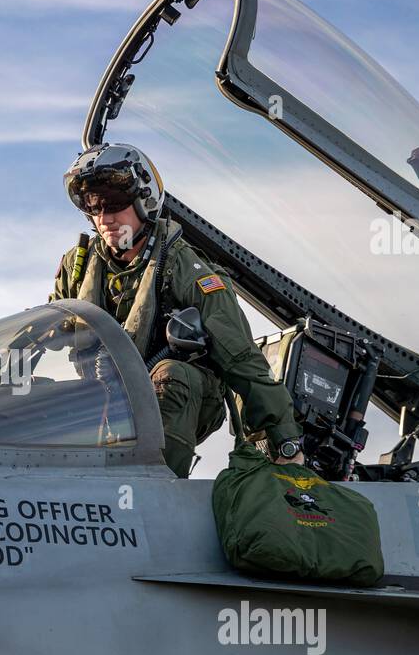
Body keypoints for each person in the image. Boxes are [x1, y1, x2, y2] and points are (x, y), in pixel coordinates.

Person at [50, 142, 304, 475]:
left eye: (114, 203)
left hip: (186, 397)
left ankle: (155, 489)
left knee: (171, 375)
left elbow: (239, 356)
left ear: (144, 199)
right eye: (94, 205)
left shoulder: (183, 266)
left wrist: (284, 441)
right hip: (107, 397)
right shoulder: (78, 266)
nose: (104, 217)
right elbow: (46, 332)